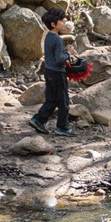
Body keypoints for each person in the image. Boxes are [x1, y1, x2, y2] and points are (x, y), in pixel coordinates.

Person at [29, 8, 76, 136]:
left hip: (49, 72)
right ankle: (62, 127)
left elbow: (53, 54)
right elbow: (59, 59)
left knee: (51, 100)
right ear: (53, 24)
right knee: (64, 102)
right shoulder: (58, 39)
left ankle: (38, 120)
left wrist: (63, 51)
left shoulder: (49, 37)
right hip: (58, 73)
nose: (64, 22)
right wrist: (68, 53)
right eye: (61, 21)